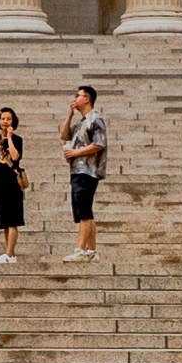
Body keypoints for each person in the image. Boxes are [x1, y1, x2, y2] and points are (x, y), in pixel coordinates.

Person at [62, 83, 109, 256]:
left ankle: (80, 249)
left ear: (87, 98)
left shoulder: (95, 119)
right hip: (78, 170)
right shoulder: (82, 122)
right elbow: (64, 135)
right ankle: (91, 250)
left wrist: (76, 152)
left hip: (88, 171)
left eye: (78, 95)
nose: (75, 98)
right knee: (85, 209)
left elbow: (99, 144)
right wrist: (69, 114)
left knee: (84, 211)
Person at [0, 105, 31, 262]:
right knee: (5, 220)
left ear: (13, 121)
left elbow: (15, 157)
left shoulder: (17, 140)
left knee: (13, 219)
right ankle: (9, 252)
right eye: (3, 118)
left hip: (12, 182)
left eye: (8, 119)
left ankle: (10, 254)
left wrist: (10, 137)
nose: (5, 121)